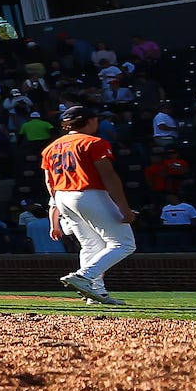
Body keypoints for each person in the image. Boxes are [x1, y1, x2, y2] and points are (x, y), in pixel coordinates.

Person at [41, 103, 137, 306]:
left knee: (91, 245)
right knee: (124, 243)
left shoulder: (51, 147)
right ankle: (84, 276)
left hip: (63, 196)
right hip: (89, 193)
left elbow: (49, 182)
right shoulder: (94, 142)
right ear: (89, 120)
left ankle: (95, 293)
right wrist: (124, 207)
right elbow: (108, 175)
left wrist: (57, 206)